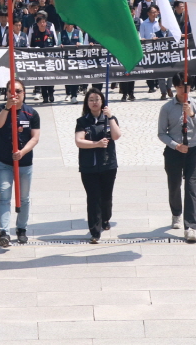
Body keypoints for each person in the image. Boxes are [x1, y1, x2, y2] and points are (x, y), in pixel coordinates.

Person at [157, 74, 196, 243]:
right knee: (174, 186)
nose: (183, 91)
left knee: (191, 188)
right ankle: (176, 213)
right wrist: (175, 145)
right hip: (174, 152)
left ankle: (190, 227)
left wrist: (192, 115)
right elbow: (161, 133)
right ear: (174, 87)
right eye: (179, 87)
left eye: (185, 87)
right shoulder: (167, 108)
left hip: (193, 151)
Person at [0, 80, 40, 247]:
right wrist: (7, 107)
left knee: (24, 198)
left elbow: (35, 137)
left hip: (24, 163)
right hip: (4, 162)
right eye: (11, 91)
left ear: (24, 93)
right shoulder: (0, 109)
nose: (15, 95)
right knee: (4, 197)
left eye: (18, 91)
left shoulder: (31, 113)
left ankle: (21, 229)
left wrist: (22, 152)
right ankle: (4, 232)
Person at [74, 88, 121, 243]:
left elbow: (116, 135)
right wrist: (97, 144)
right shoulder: (82, 121)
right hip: (89, 167)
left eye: (97, 99)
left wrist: (111, 117)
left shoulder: (109, 119)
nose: (94, 102)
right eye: (91, 99)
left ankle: (106, 219)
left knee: (106, 196)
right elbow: (79, 141)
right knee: (93, 198)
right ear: (87, 103)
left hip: (108, 164)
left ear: (102, 102)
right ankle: (95, 231)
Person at [29, 13, 58, 103]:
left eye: (44, 22)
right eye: (41, 22)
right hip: (39, 61)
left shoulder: (51, 33)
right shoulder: (35, 34)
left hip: (49, 60)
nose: (42, 24)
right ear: (37, 24)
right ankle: (44, 96)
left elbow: (55, 44)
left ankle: (51, 94)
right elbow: (30, 45)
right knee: (42, 79)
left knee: (50, 78)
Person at [139, 6, 162, 95]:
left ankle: (157, 82)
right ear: (148, 13)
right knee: (148, 67)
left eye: (155, 12)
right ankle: (151, 86)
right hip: (148, 48)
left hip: (158, 48)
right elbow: (141, 36)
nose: (154, 14)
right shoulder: (144, 24)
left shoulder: (159, 22)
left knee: (158, 66)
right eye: (152, 12)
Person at [60, 22, 82, 102]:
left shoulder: (78, 32)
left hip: (75, 59)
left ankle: (74, 95)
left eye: (70, 24)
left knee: (75, 77)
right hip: (66, 59)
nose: (68, 26)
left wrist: (79, 43)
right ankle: (68, 93)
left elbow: (82, 43)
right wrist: (60, 45)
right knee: (67, 76)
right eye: (67, 24)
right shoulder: (61, 33)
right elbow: (58, 44)